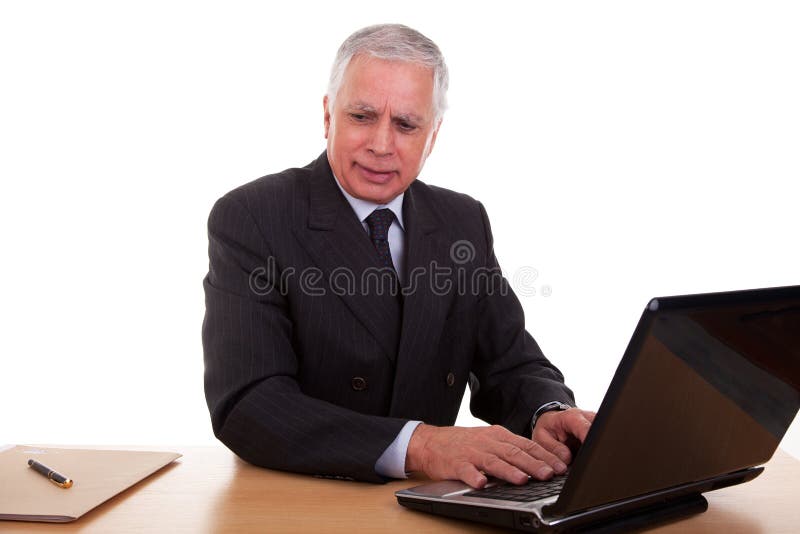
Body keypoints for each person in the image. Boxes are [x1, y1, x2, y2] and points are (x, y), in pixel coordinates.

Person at [202, 23, 595, 488]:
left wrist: (545, 411)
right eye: (362, 116)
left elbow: (510, 363)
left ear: (433, 135)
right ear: (328, 116)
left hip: (436, 500)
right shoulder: (252, 216)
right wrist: (422, 445)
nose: (382, 145)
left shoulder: (462, 220)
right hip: (308, 496)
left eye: (406, 124)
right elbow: (249, 404)